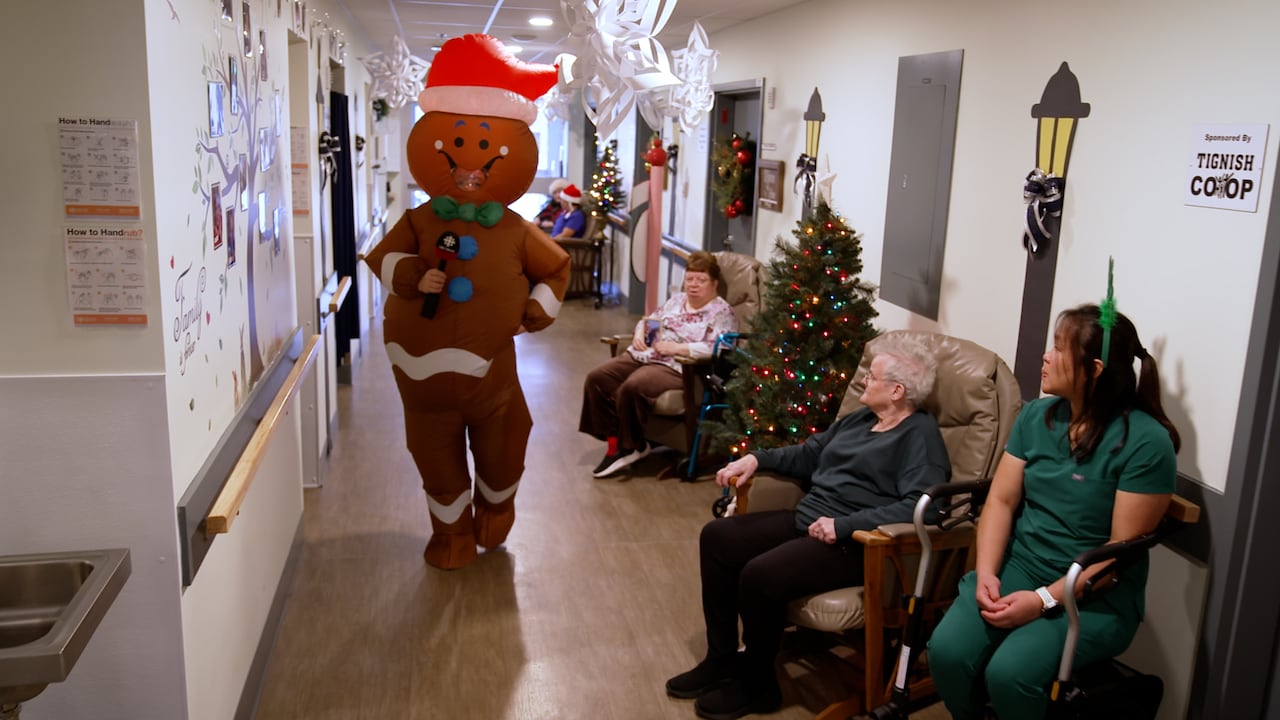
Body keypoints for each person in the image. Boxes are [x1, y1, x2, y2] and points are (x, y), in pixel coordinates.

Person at [665, 335, 952, 720]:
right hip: (809, 518)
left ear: (897, 391)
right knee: (717, 537)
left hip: (858, 544)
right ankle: (721, 659)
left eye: (873, 376)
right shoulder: (861, 419)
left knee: (760, 574)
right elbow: (810, 454)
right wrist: (756, 458)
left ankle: (758, 685)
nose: (863, 379)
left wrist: (845, 525)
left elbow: (925, 508)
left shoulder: (920, 437)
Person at [927, 303, 1180, 719]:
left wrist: (1042, 600)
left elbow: (1117, 554)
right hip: (1021, 566)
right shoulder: (1036, 416)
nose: (1045, 356)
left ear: (1094, 369)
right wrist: (988, 573)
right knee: (947, 652)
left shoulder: (1146, 442)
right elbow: (1002, 501)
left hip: (1095, 594)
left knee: (1010, 675)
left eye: (1059, 349)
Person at [579, 251, 738, 478]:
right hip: (646, 354)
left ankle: (630, 446)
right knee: (598, 378)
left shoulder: (721, 312)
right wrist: (638, 332)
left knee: (633, 386)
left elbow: (721, 348)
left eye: (701, 280)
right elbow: (649, 321)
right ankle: (614, 443)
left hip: (680, 366)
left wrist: (679, 349)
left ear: (713, 283)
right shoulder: (676, 301)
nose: (693, 285)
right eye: (689, 279)